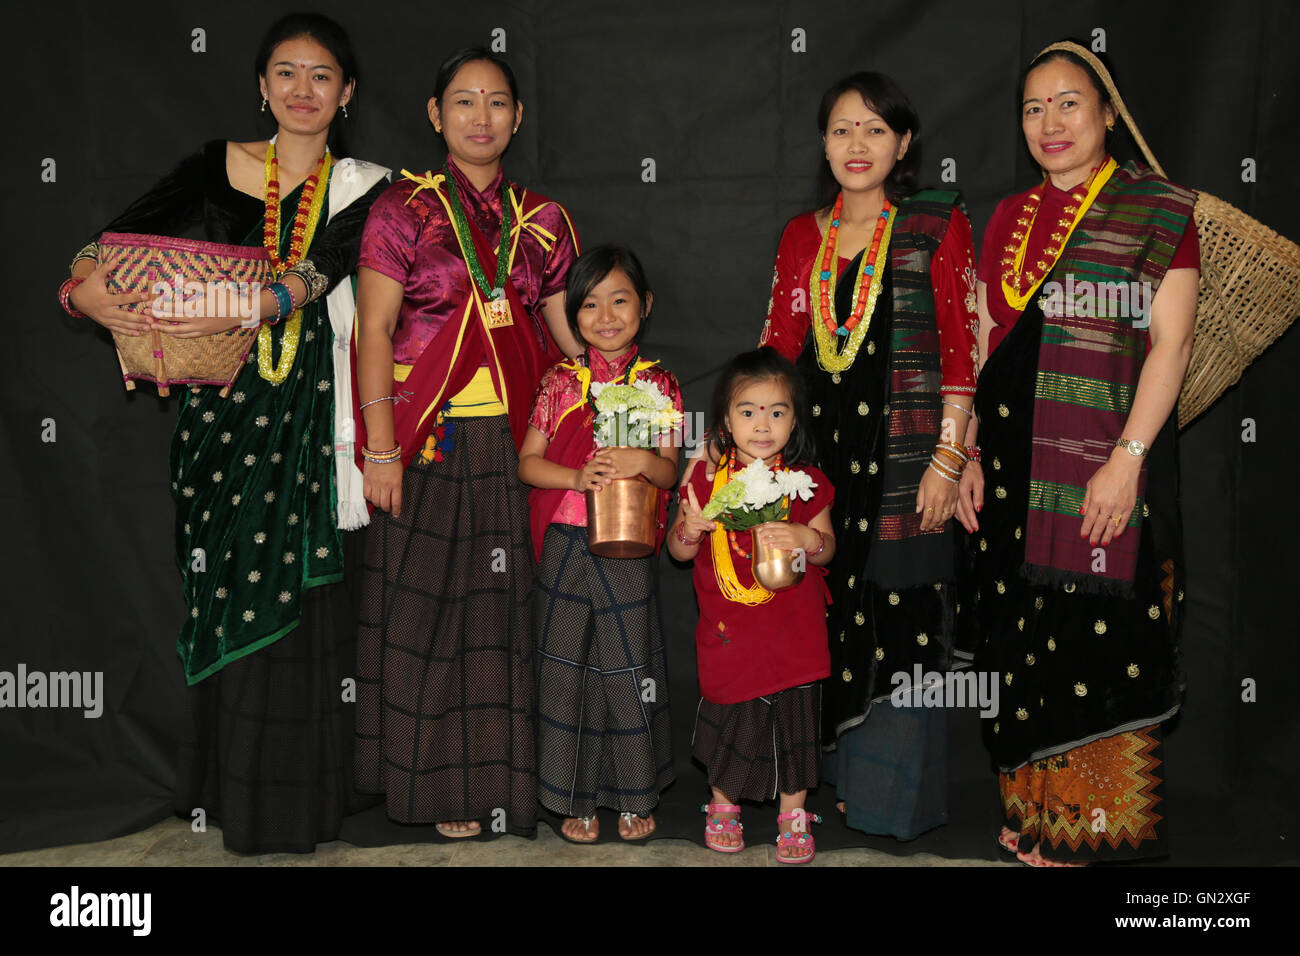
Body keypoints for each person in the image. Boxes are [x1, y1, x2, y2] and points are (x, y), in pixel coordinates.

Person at [56, 13, 390, 853]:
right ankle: (223, 791)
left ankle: (300, 803)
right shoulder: (216, 165)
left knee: (307, 600)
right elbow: (117, 236)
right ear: (262, 86)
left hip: (319, 410)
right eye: (286, 73)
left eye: (322, 76)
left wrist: (267, 300)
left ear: (346, 93)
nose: (303, 90)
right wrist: (83, 287)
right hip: (222, 412)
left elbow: (331, 264)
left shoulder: (371, 189)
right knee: (231, 583)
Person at [954, 45, 1199, 866]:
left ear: (1106, 114)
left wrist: (1126, 459)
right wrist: (969, 455)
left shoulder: (1159, 209)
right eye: (1033, 108)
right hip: (1016, 471)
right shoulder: (1005, 218)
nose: (1050, 123)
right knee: (1020, 638)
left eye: (1068, 104)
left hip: (1107, 462)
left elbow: (1170, 345)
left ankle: (1091, 825)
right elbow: (991, 342)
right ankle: (1036, 812)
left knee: (1095, 637)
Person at [353, 48, 581, 838]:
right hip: (428, 439)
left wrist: (620, 400)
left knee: (501, 620)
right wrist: (379, 449)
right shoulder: (402, 211)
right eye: (463, 101)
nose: (480, 116)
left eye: (496, 103)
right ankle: (435, 791)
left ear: (517, 117)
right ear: (435, 114)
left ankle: (499, 784)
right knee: (424, 618)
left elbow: (567, 341)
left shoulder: (544, 220)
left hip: (517, 445)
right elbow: (374, 330)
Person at [757, 72, 979, 838]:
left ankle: (893, 803)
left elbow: (961, 354)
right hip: (818, 462)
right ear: (823, 141)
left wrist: (949, 463)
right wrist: (751, 460)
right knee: (827, 621)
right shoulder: (800, 236)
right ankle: (837, 786)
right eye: (843, 129)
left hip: (905, 463)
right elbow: (777, 354)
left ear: (904, 144)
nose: (858, 145)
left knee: (904, 619)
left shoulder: (934, 226)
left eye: (875, 130)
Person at [518, 245, 680, 843]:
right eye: (588, 304)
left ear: (645, 306)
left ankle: (635, 798)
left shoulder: (659, 384)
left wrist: (643, 459)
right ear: (572, 313)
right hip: (564, 539)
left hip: (628, 544)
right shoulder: (559, 383)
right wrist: (574, 477)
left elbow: (669, 472)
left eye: (620, 300)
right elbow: (527, 463)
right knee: (566, 672)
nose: (605, 316)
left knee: (626, 667)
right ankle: (572, 800)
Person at [671, 348, 836, 863]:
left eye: (777, 411)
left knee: (795, 720)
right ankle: (723, 805)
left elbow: (829, 547)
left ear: (793, 420)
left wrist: (805, 534)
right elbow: (678, 550)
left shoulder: (803, 480)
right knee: (732, 717)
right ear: (725, 419)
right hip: (730, 629)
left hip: (793, 627)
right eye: (748, 411)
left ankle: (794, 814)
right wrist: (690, 529)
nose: (762, 425)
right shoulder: (702, 481)